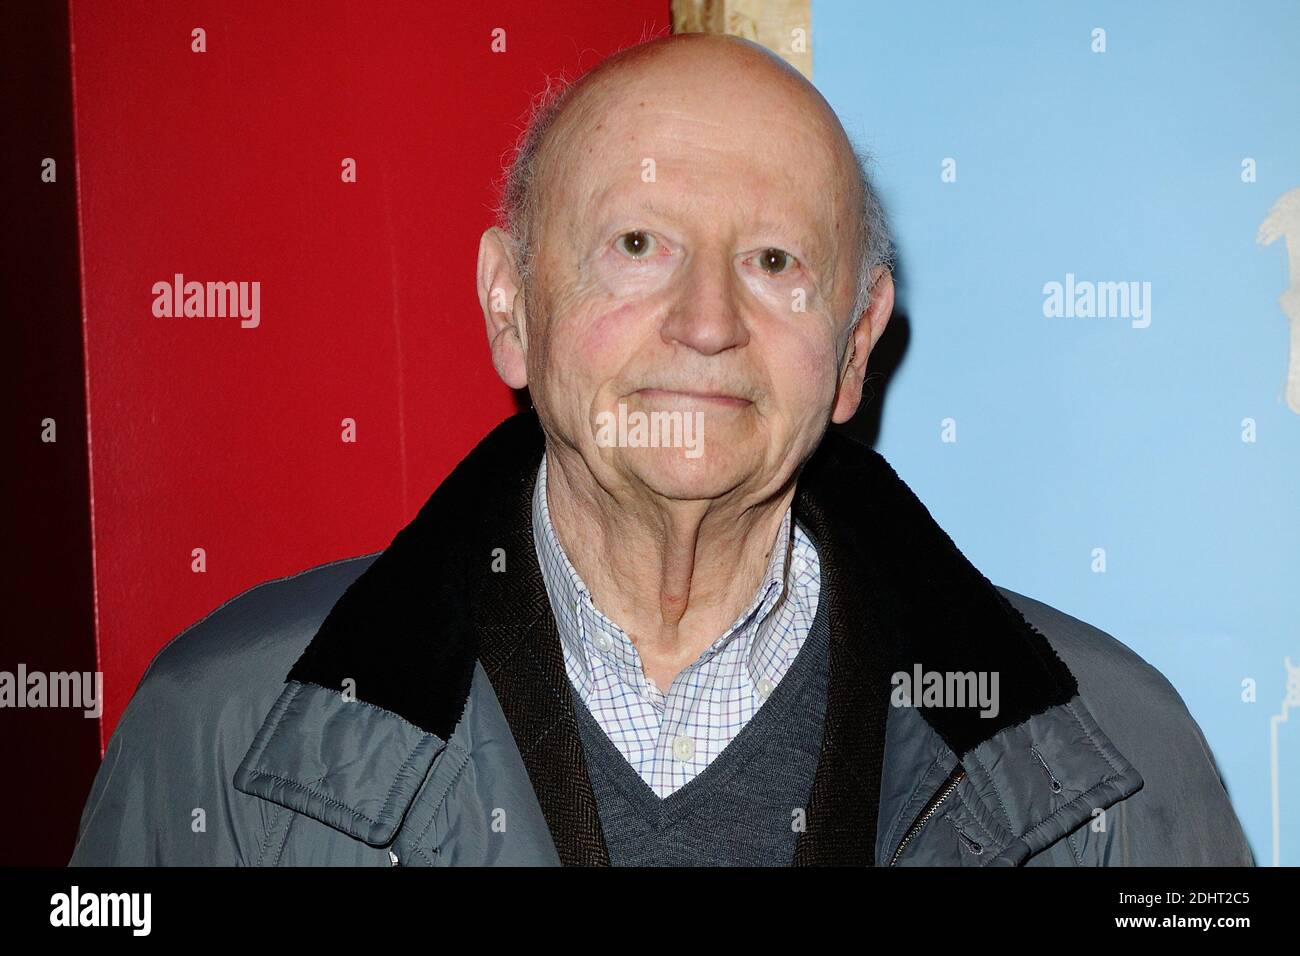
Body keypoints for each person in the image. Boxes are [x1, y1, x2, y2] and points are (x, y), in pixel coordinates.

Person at [69, 32, 1252, 867]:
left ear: (854, 346)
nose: (705, 322)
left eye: (775, 263)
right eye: (637, 243)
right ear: (509, 308)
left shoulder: (1109, 758)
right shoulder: (216, 731)